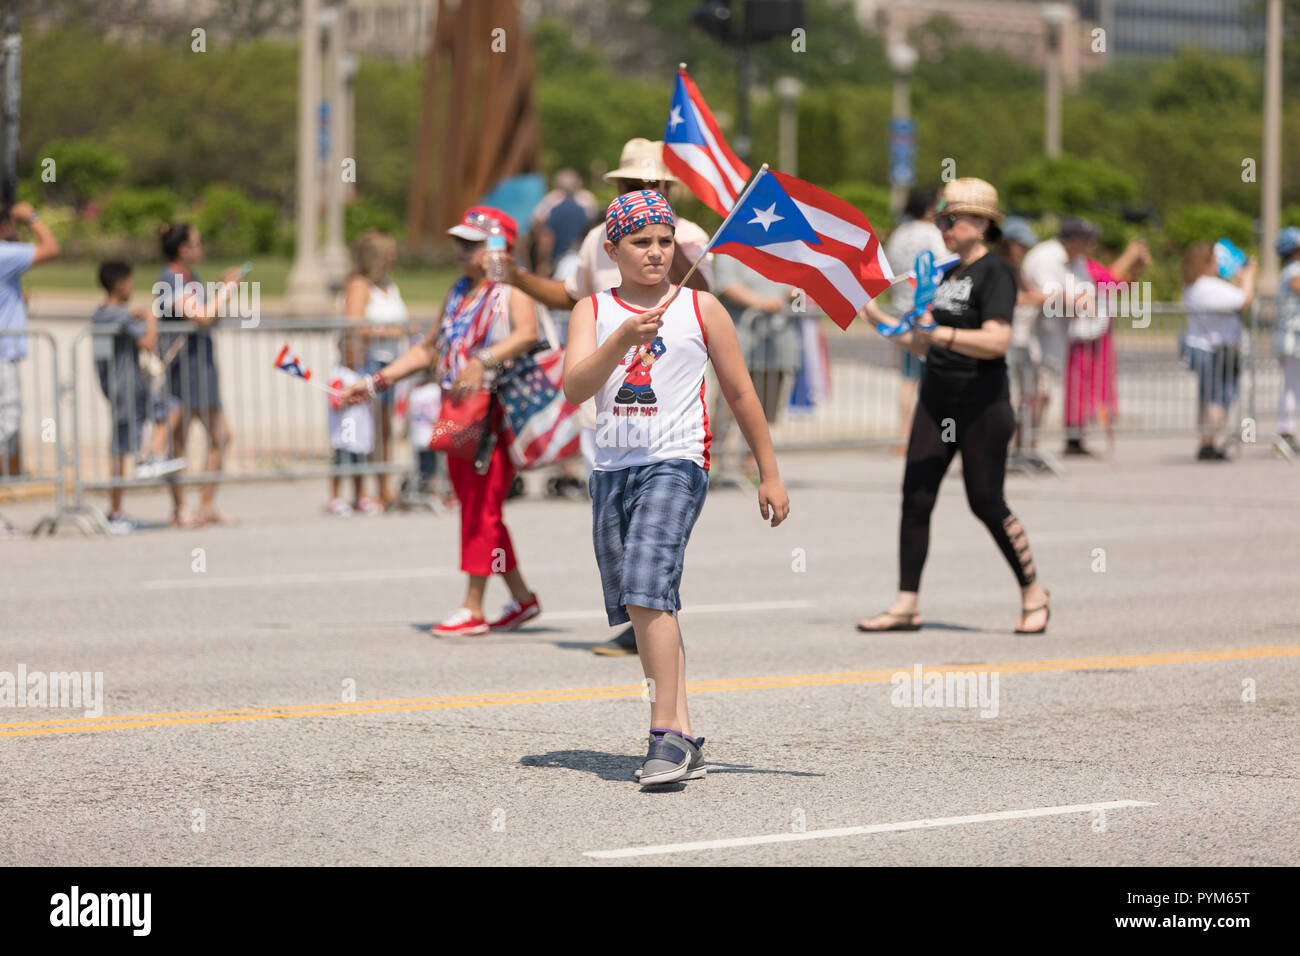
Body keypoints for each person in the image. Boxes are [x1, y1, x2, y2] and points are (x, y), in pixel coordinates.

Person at [562, 190, 790, 786]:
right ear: (612, 248)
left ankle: (662, 736)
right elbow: (574, 388)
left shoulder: (702, 307)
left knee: (645, 584)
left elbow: (741, 393)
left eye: (665, 241)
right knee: (645, 602)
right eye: (641, 242)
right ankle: (685, 733)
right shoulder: (592, 309)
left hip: (677, 461)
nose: (657, 252)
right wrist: (620, 341)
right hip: (613, 467)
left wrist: (768, 471)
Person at [501, 137, 714, 657]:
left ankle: (650, 635)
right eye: (627, 185)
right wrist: (520, 278)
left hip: (669, 414)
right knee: (617, 538)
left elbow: (708, 294)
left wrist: (678, 251)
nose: (636, 192)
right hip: (607, 403)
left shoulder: (683, 237)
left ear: (665, 188)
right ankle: (641, 620)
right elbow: (573, 295)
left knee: (651, 535)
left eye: (647, 184)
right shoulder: (603, 235)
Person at [857, 178, 1051, 635]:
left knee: (986, 502)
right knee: (916, 498)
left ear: (981, 223)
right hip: (937, 400)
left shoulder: (996, 272)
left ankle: (1033, 593)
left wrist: (939, 334)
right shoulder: (945, 274)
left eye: (952, 218)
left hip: (982, 404)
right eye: (940, 218)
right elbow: (924, 346)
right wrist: (877, 318)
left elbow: (997, 340)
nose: (942, 225)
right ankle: (907, 604)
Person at [342, 206, 543, 636]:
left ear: (496, 247)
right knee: (479, 508)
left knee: (480, 507)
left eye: (470, 244)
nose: (459, 250)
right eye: (459, 242)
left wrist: (482, 359)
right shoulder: (458, 290)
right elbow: (428, 348)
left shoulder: (510, 288)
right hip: (458, 410)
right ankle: (522, 598)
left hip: (494, 413)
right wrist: (375, 382)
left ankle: (473, 607)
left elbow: (527, 333)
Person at [155, 222, 242, 527]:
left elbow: (207, 313)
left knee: (219, 435)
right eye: (197, 242)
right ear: (183, 248)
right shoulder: (171, 278)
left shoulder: (191, 277)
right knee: (180, 439)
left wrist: (220, 290)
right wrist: (228, 289)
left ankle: (205, 505)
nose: (201, 247)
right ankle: (181, 508)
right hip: (185, 368)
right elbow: (201, 316)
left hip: (202, 364)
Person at [92, 260, 185, 531]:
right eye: (130, 281)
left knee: (171, 408)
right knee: (120, 449)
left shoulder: (103, 313)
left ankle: (150, 456)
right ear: (120, 283)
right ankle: (117, 510)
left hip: (130, 387)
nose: (132, 286)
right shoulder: (116, 316)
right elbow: (148, 342)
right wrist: (151, 319)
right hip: (126, 389)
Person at [714, 255, 800, 481]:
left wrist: (796, 294)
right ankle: (712, 462)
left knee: (765, 410)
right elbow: (727, 286)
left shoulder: (788, 248)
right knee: (725, 407)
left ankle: (752, 466)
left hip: (777, 345)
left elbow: (801, 298)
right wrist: (762, 304)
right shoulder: (731, 245)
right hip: (738, 342)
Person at [1020, 216, 1101, 456]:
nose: (1091, 245)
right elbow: (1049, 297)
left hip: (1052, 340)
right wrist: (1077, 303)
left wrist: (1078, 303)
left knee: (1041, 394)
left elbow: (1085, 294)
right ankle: (1021, 449)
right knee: (1029, 394)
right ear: (1074, 240)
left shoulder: (1075, 260)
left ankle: (1030, 448)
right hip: (1032, 336)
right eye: (1088, 240)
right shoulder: (1047, 256)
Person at [343, 229, 411, 511]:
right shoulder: (359, 286)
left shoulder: (388, 286)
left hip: (391, 363)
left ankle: (384, 485)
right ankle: (365, 489)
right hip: (369, 363)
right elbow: (353, 326)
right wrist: (388, 331)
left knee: (384, 428)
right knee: (367, 428)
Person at [1065, 238, 1150, 457]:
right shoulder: (1081, 266)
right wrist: (1130, 255)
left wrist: (1137, 266)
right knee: (1078, 385)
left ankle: (1084, 432)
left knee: (1098, 385)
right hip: (1082, 335)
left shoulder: (1091, 264)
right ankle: (1073, 436)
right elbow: (1108, 278)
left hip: (1099, 334)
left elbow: (1119, 285)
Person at [884, 188, 949, 453]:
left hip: (901, 306)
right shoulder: (932, 233)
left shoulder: (898, 233)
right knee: (930, 376)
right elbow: (946, 263)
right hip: (926, 309)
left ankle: (902, 434)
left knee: (907, 376)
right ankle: (926, 435)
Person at [0, 201, 60, 481]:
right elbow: (51, 248)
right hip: (3, 354)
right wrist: (31, 217)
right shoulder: (5, 253)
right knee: (7, 423)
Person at [1180, 241, 1255, 461]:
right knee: (1220, 397)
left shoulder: (1194, 286)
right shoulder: (1206, 286)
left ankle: (1207, 441)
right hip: (1214, 349)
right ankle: (1209, 442)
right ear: (1206, 263)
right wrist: (1249, 276)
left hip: (1203, 347)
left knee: (1207, 397)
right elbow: (1243, 300)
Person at [998, 217, 1048, 458]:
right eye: (1022, 245)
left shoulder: (1014, 269)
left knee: (1024, 397)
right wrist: (1039, 298)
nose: (1025, 251)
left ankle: (1019, 450)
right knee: (1007, 398)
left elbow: (1032, 293)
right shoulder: (997, 266)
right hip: (1003, 343)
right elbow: (1011, 298)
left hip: (1020, 342)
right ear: (1009, 243)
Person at [326, 330, 376, 516]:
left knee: (359, 464)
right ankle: (336, 498)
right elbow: (335, 401)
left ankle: (359, 497)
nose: (362, 353)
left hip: (361, 428)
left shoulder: (363, 374)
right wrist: (347, 399)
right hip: (345, 430)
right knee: (340, 463)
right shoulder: (338, 374)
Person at [1271, 226, 1300, 457]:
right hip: (1292, 339)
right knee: (1292, 387)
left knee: (1293, 387)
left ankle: (1287, 435)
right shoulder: (1293, 270)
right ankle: (1286, 435)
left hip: (1291, 338)